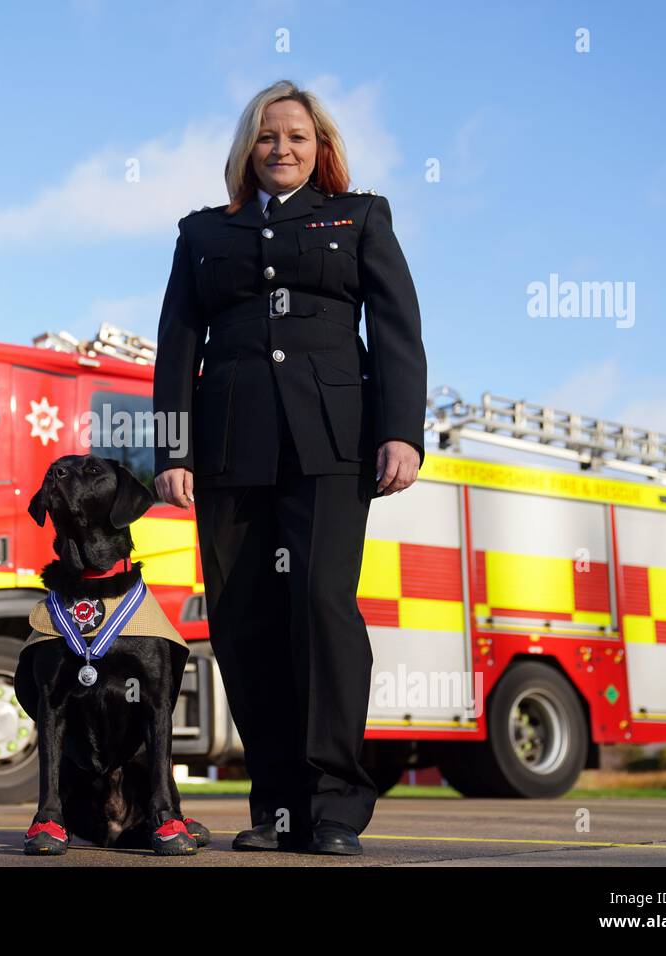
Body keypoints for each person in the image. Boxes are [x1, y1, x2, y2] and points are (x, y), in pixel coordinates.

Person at [152, 79, 426, 855]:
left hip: (332, 445)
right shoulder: (205, 233)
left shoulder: (360, 216)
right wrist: (174, 450)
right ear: (248, 149)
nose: (282, 149)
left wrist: (401, 430)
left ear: (321, 148)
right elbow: (178, 349)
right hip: (232, 450)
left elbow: (398, 328)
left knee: (321, 608)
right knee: (244, 623)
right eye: (269, 137)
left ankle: (336, 806)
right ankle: (277, 809)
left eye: (298, 137)